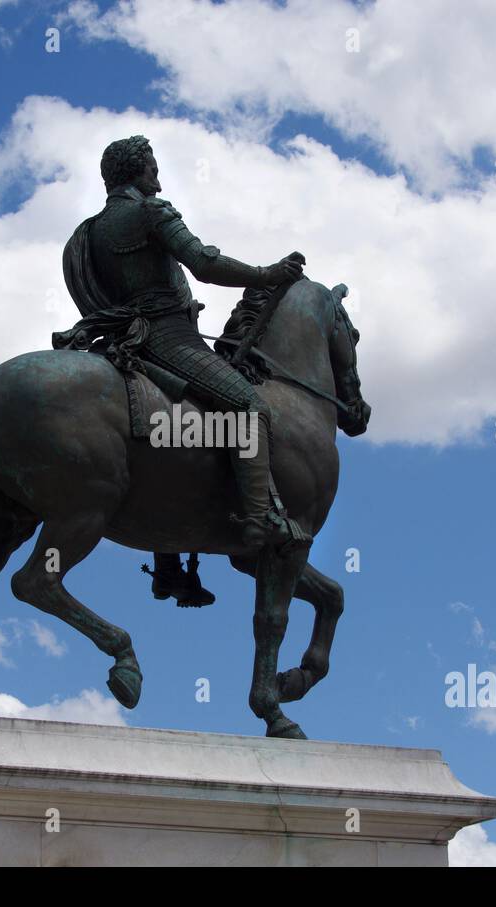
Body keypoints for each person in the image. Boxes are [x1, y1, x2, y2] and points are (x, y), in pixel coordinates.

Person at [55, 135, 306, 603]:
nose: (157, 173)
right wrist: (267, 275)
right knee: (249, 407)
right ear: (137, 170)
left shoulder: (85, 234)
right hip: (166, 337)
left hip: (119, 342)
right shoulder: (151, 213)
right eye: (152, 164)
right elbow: (204, 264)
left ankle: (169, 566)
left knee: (165, 436)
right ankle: (260, 518)